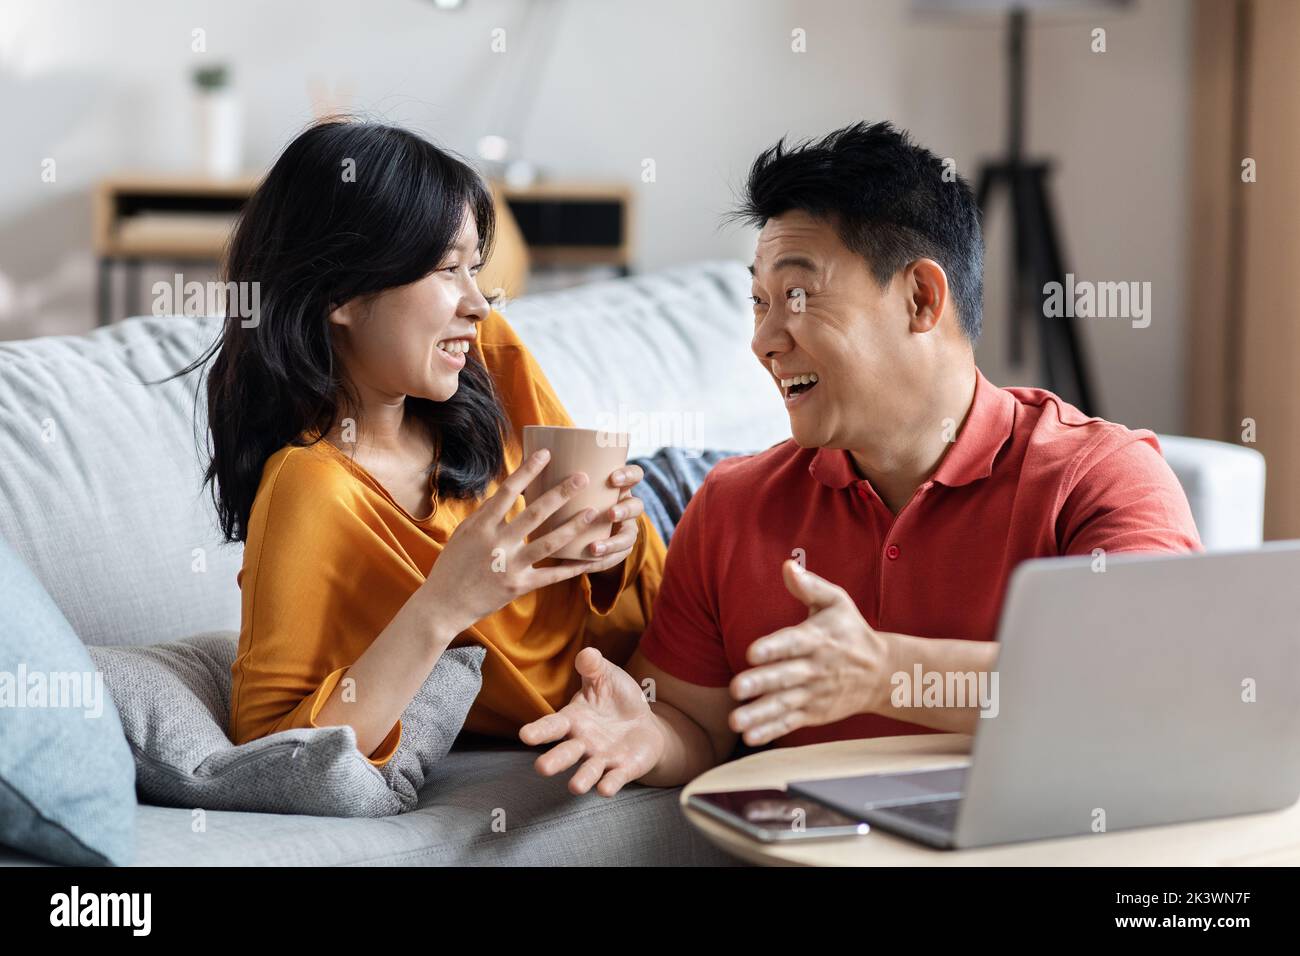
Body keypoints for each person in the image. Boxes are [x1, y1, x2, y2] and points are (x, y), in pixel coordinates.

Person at [520, 120, 1202, 796]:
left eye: (796, 296)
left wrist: (884, 672)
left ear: (921, 298)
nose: (764, 341)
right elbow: (691, 720)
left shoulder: (1099, 477)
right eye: (757, 304)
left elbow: (1144, 687)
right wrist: (647, 735)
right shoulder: (732, 505)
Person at [170, 119, 665, 765]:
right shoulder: (313, 489)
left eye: (475, 269)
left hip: (678, 512)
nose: (478, 304)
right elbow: (272, 745)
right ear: (341, 294)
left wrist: (613, 544)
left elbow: (624, 562)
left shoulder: (490, 355)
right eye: (445, 269)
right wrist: (443, 606)